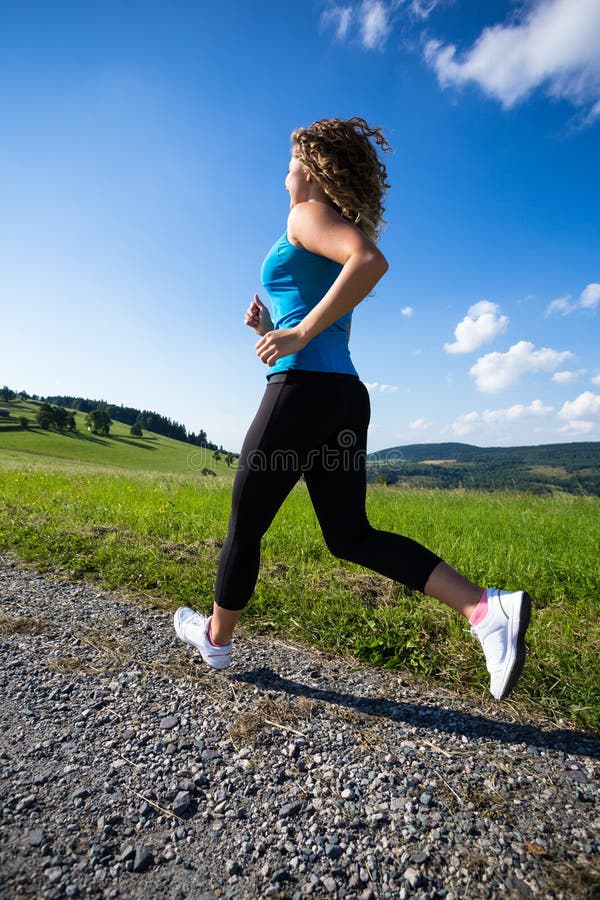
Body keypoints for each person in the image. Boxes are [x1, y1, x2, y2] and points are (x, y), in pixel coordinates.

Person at [174, 117, 531, 701]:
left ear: (311, 170)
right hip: (341, 399)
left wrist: (295, 336)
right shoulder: (328, 223)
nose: (284, 173)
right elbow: (329, 302)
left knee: (245, 523)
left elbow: (368, 261)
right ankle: (484, 609)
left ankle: (214, 639)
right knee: (349, 535)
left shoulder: (304, 215)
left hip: (302, 392)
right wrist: (274, 328)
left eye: (290, 162)